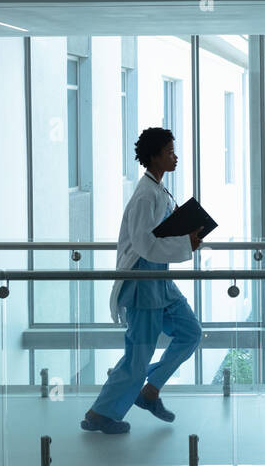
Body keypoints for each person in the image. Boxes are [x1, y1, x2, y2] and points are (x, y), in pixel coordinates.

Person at [81, 127, 205, 434]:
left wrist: (185, 231)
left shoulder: (158, 189)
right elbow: (144, 243)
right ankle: (99, 414)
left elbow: (158, 234)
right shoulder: (144, 195)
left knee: (190, 332)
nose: (175, 157)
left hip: (159, 280)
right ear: (154, 156)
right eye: (169, 152)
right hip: (142, 282)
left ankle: (149, 390)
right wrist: (186, 244)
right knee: (137, 358)